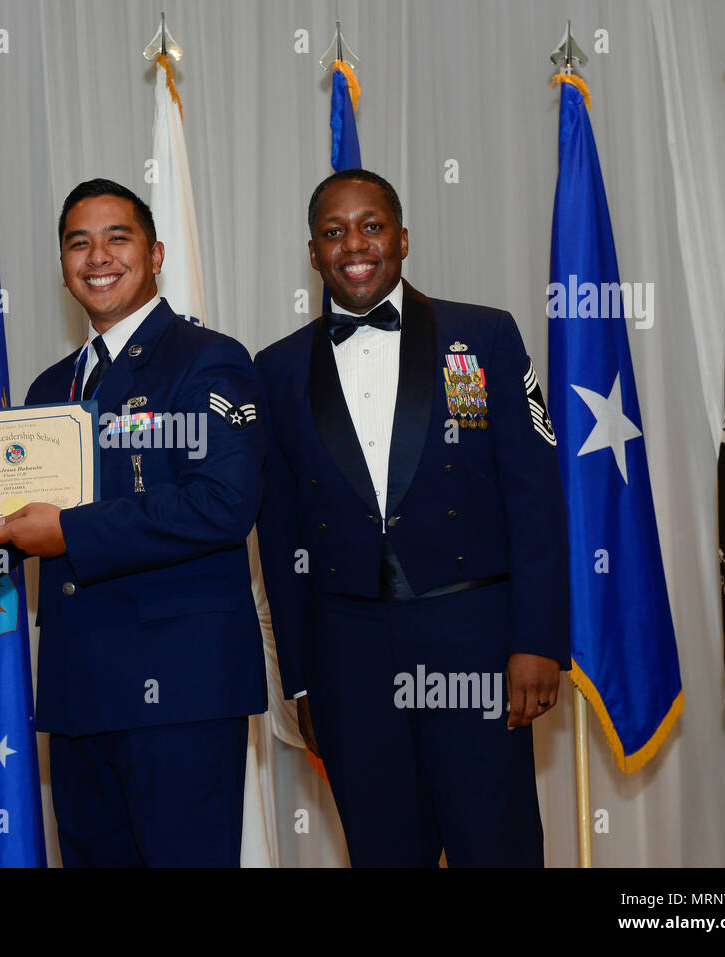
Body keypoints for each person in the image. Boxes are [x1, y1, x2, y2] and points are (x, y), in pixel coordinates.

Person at [0, 179, 267, 867]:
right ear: (63, 267)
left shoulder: (209, 359)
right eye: (78, 243)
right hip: (77, 691)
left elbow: (223, 504)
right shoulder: (50, 389)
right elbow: (12, 528)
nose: (98, 256)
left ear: (154, 254)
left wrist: (75, 533)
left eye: (117, 237)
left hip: (180, 692)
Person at [253, 169, 569, 866]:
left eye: (370, 225)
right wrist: (300, 681)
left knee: (498, 845)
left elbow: (536, 497)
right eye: (334, 232)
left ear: (402, 238)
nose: (354, 244)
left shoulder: (482, 335)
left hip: (475, 643)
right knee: (382, 850)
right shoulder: (274, 370)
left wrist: (539, 640)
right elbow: (279, 538)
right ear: (313, 252)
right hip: (348, 658)